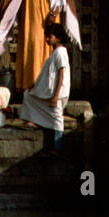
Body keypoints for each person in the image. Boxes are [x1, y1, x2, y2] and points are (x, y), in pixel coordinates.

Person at [18, 21, 70, 150]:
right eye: (46, 36)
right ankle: (36, 122)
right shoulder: (54, 52)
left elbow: (61, 76)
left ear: (58, 38)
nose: (47, 39)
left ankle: (58, 148)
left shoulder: (60, 52)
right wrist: (34, 86)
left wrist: (55, 96)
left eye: (50, 37)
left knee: (57, 119)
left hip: (56, 93)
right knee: (28, 96)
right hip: (49, 92)